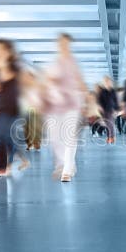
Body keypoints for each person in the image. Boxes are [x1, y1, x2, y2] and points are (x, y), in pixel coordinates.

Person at [42, 33, 87, 183]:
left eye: (65, 43)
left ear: (69, 45)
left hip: (72, 104)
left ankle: (66, 169)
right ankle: (66, 164)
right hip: (56, 105)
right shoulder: (54, 63)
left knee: (69, 136)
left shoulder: (72, 62)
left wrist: (86, 100)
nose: (62, 46)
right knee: (56, 137)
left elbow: (80, 81)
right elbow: (47, 82)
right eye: (60, 43)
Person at [0, 39, 24, 177]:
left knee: (9, 139)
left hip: (13, 110)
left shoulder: (16, 69)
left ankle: (10, 162)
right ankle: (1, 168)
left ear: (8, 51)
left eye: (1, 49)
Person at [97, 75, 119, 144]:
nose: (107, 83)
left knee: (110, 123)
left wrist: (117, 110)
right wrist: (99, 107)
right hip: (104, 110)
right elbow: (99, 101)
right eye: (105, 81)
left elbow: (116, 100)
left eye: (108, 81)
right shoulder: (102, 91)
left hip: (111, 109)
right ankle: (109, 137)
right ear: (104, 83)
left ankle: (111, 137)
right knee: (107, 124)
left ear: (110, 82)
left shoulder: (113, 91)